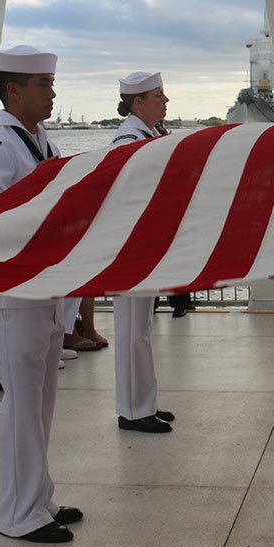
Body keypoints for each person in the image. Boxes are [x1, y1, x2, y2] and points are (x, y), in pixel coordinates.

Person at [0, 44, 82, 543]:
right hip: (12, 291)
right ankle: (18, 513)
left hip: (44, 283)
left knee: (40, 403)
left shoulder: (39, 139)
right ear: (13, 90)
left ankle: (39, 497)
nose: (52, 92)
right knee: (21, 405)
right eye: (44, 85)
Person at [110, 71, 178, 433]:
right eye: (158, 96)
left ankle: (143, 401)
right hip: (131, 245)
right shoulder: (128, 139)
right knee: (132, 329)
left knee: (142, 328)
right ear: (138, 102)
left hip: (144, 243)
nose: (165, 101)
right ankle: (133, 410)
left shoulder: (148, 135)